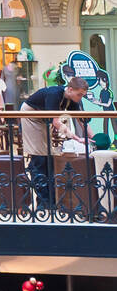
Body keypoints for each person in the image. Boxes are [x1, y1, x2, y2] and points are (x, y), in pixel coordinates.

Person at [20, 76, 88, 209]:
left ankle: (50, 200)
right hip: (32, 118)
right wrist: (77, 138)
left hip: (43, 120)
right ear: (69, 89)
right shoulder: (54, 94)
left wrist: (91, 137)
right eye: (79, 94)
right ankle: (43, 202)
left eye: (83, 95)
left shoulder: (72, 99)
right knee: (39, 156)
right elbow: (56, 121)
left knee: (48, 157)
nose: (80, 97)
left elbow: (82, 120)